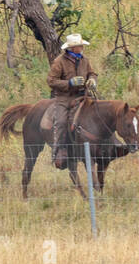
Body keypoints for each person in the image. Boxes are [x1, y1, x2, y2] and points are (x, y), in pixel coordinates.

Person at [42, 33, 98, 169]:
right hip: (65, 98)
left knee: (101, 111)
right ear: (72, 48)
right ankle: (59, 150)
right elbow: (51, 81)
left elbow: (92, 73)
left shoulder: (85, 59)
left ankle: (107, 143)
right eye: (79, 45)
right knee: (61, 122)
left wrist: (92, 80)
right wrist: (69, 83)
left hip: (83, 95)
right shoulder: (59, 62)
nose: (82, 47)